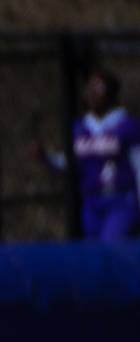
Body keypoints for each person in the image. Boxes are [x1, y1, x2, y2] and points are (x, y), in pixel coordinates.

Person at [31, 67, 140, 242]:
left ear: (112, 93)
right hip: (91, 201)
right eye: (89, 88)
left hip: (121, 199)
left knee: (111, 244)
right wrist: (46, 157)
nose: (92, 94)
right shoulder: (80, 128)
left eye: (98, 88)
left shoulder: (128, 126)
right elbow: (69, 164)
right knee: (94, 250)